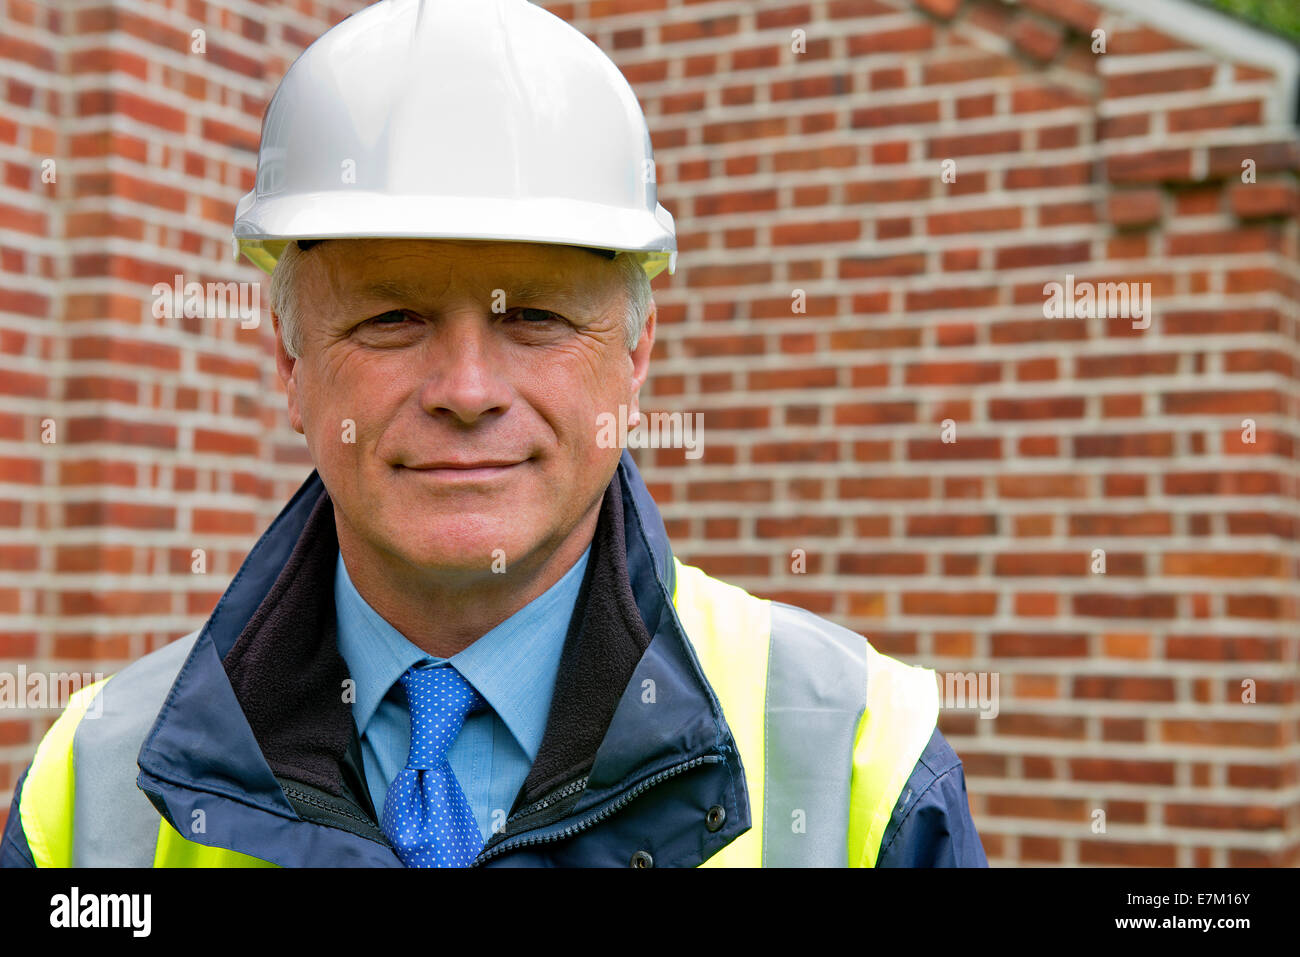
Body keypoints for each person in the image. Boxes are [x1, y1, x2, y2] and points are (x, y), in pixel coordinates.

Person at [1, 0, 986, 868]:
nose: (466, 390)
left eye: (536, 319)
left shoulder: (856, 755)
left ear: (635, 359)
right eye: (391, 318)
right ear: (291, 363)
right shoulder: (95, 786)